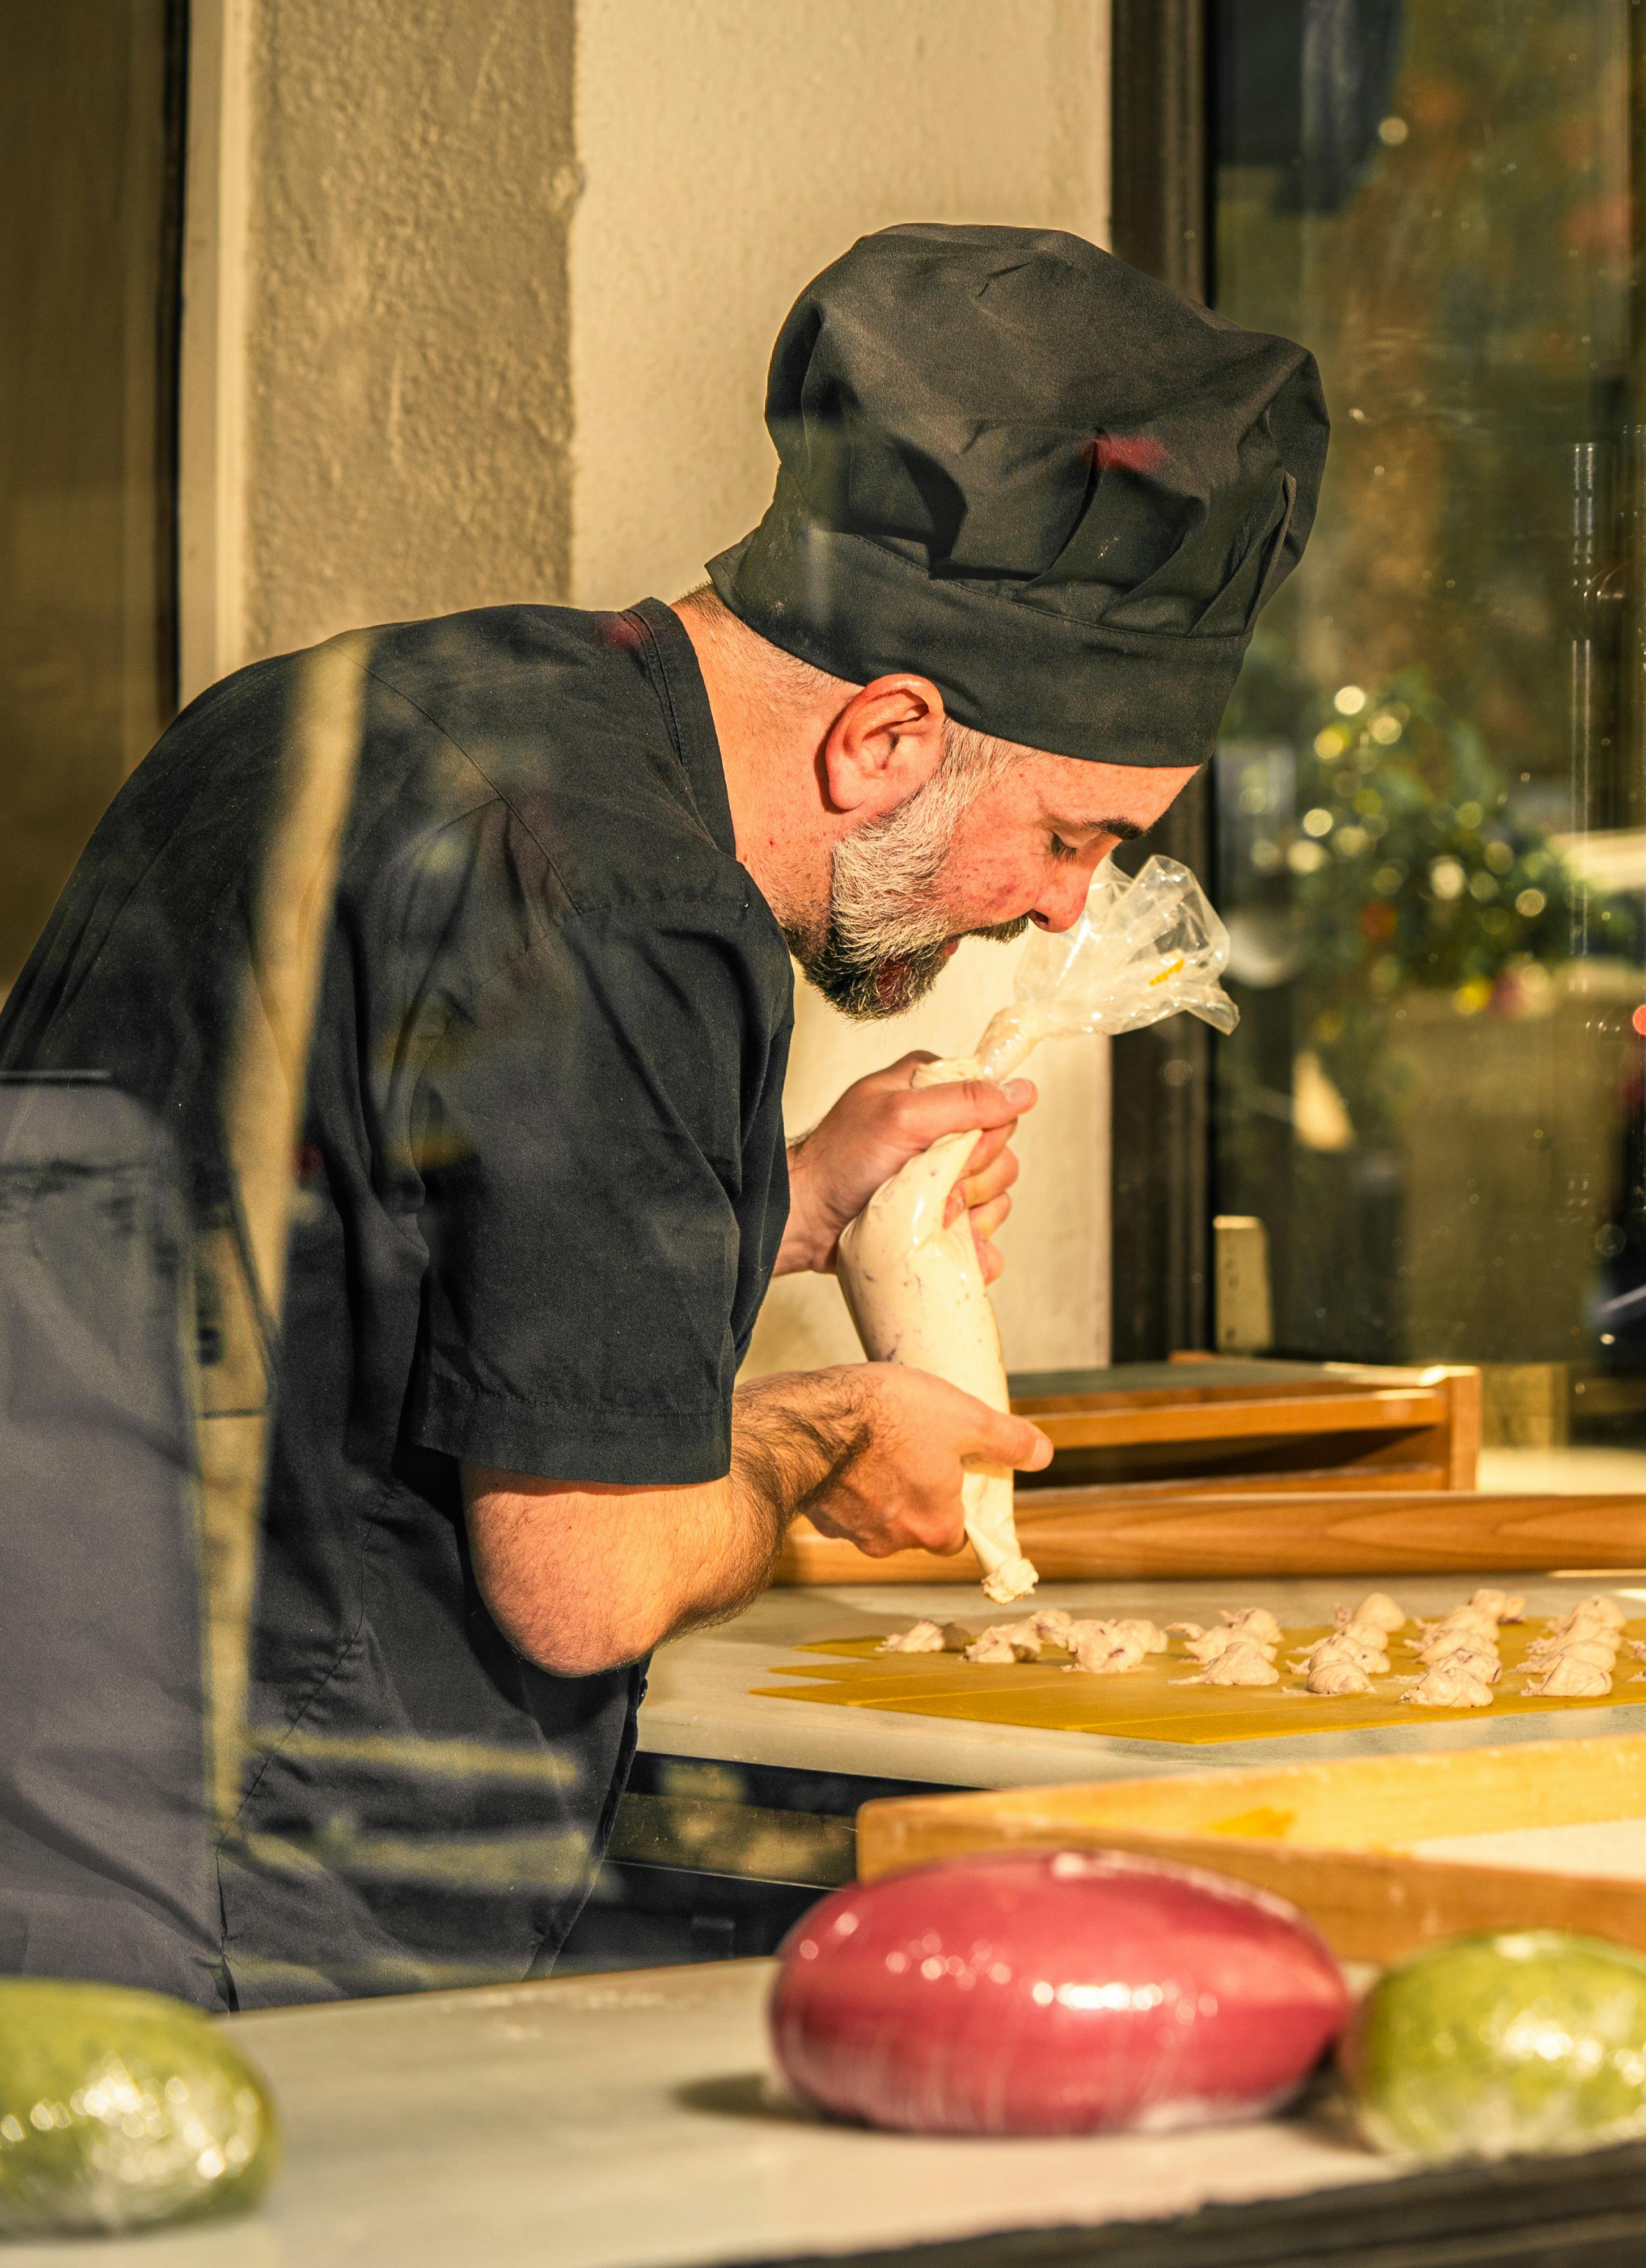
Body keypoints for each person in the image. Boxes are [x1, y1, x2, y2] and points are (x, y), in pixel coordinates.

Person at [0, 223, 1327, 2007]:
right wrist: (830, 1433)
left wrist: (781, 1202)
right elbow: (588, 1576)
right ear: (887, 737)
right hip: (243, 1892)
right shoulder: (639, 912)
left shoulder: (341, 709)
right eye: (1076, 838)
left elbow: (346, 1239)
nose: (1064, 907)